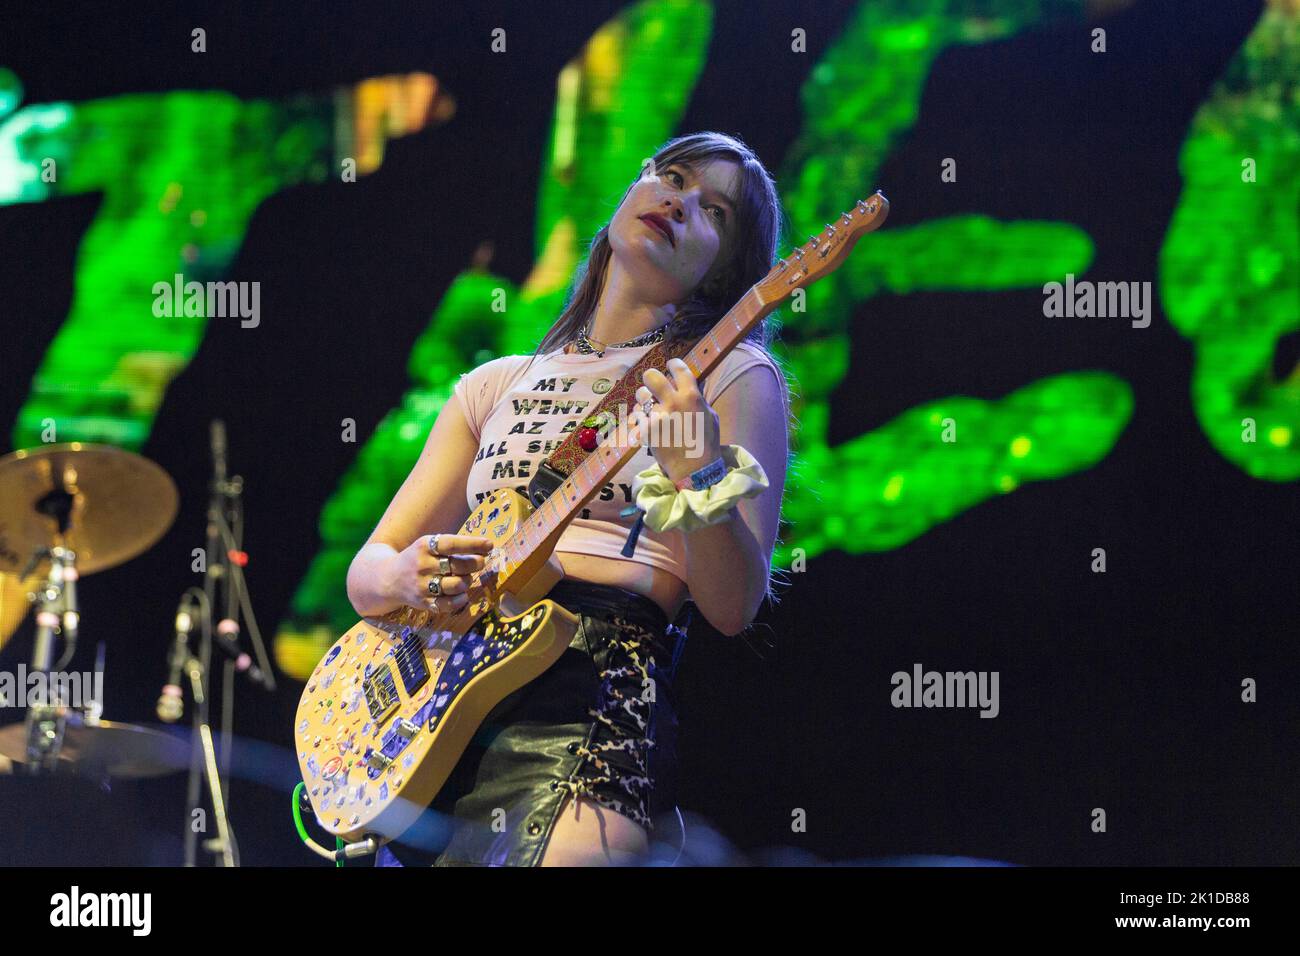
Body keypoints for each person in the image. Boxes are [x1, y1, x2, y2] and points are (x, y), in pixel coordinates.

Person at [347, 131, 791, 866]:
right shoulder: (497, 382)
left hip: (584, 710)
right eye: (672, 176)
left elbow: (732, 603)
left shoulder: (733, 375)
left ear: (728, 274)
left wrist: (701, 468)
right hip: (432, 710)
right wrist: (399, 578)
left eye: (714, 210)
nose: (679, 202)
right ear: (631, 192)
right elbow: (368, 569)